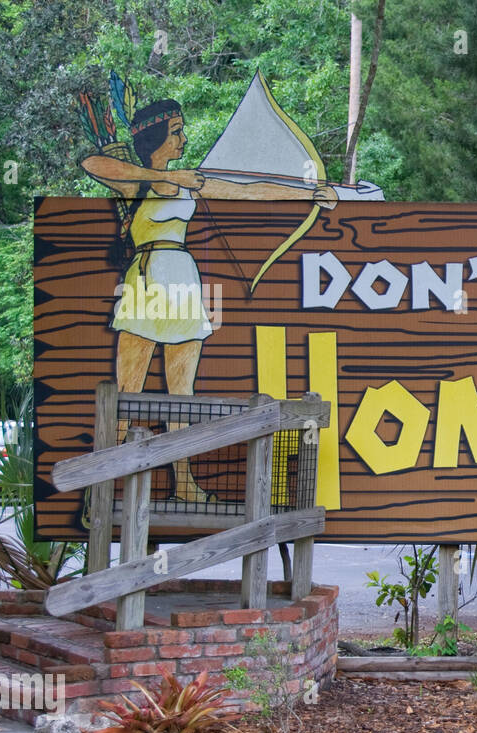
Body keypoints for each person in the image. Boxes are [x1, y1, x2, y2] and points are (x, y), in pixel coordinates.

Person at [81, 96, 336, 501]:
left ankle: (184, 484)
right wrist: (163, 179)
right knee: (126, 394)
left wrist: (309, 192)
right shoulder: (138, 181)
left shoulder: (189, 180)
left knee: (181, 396)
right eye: (176, 132)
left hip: (182, 280)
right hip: (146, 281)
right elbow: (93, 164)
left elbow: (246, 190)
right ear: (157, 138)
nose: (183, 139)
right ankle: (102, 489)